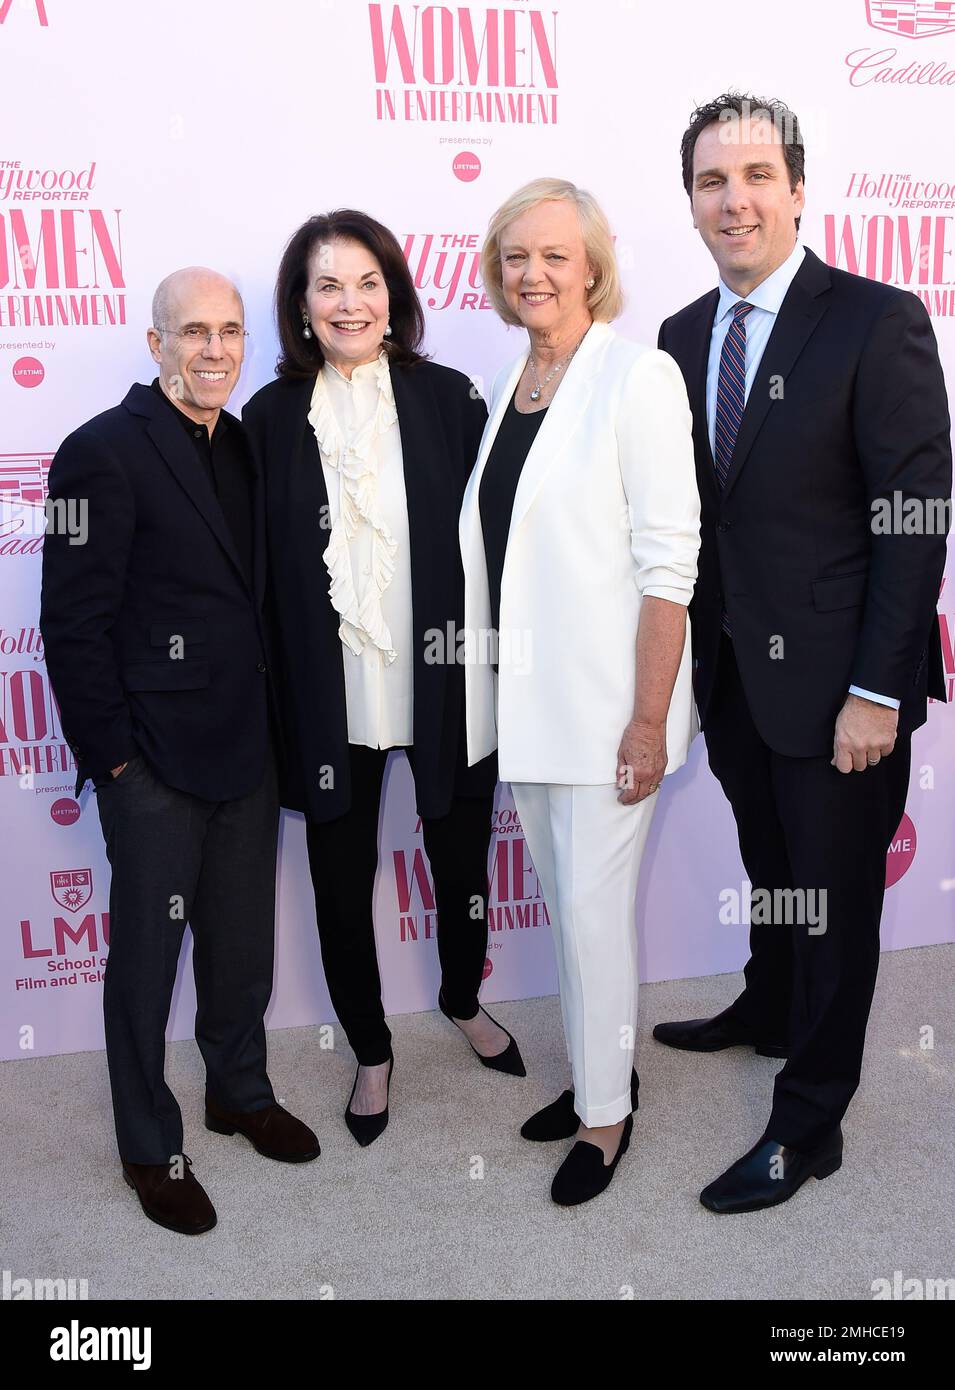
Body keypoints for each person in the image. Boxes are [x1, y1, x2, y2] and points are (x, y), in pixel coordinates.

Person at [655, 93, 952, 1213]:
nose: (733, 200)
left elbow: (913, 511)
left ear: (795, 187)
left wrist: (877, 688)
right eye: (709, 182)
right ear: (688, 202)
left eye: (754, 176)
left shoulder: (876, 319)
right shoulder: (683, 336)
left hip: (843, 690)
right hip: (735, 679)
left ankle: (809, 1116)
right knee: (775, 876)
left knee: (834, 904)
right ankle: (767, 1004)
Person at [40, 267, 320, 1236]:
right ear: (154, 343)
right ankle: (149, 1145)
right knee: (147, 964)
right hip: (152, 762)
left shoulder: (239, 444)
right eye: (193, 330)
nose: (215, 348)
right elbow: (70, 626)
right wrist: (115, 761)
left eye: (231, 330)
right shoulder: (97, 454)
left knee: (242, 953)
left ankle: (237, 1091)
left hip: (246, 749)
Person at [243, 211, 524, 1149]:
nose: (349, 302)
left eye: (366, 282)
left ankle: (460, 998)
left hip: (443, 681)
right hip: (330, 695)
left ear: (394, 295)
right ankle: (369, 1049)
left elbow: (504, 541)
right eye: (328, 286)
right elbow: (255, 572)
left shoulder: (452, 399)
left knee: (461, 861)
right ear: (301, 306)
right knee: (338, 876)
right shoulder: (269, 418)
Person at [460, 179, 701, 1205]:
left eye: (555, 255)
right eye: (516, 256)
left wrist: (648, 720)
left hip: (610, 712)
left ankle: (606, 1116)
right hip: (529, 708)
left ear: (593, 267)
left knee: (596, 915)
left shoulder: (635, 376)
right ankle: (603, 1069)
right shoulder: (514, 379)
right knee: (566, 912)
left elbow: (667, 565)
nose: (534, 274)